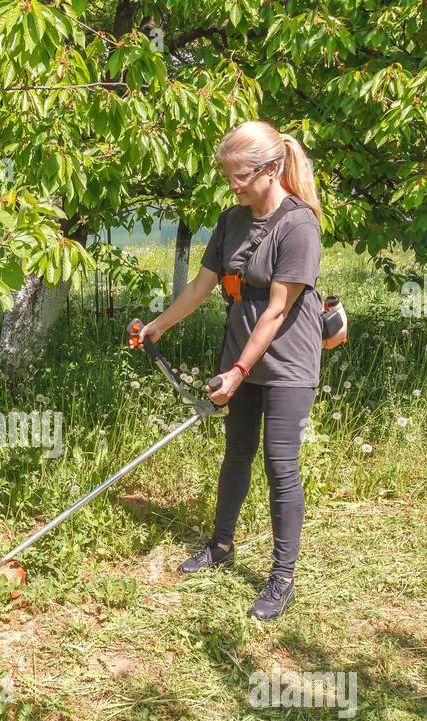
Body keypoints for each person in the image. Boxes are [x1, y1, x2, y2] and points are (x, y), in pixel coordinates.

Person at [138, 120, 324, 621]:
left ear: (271, 169)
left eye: (240, 176)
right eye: (229, 176)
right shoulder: (231, 220)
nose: (233, 185)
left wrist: (240, 371)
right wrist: (157, 326)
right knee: (236, 452)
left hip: (287, 366)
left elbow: (278, 311)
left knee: (280, 465)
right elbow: (201, 287)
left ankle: (282, 578)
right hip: (240, 358)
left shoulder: (299, 225)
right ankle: (222, 547)